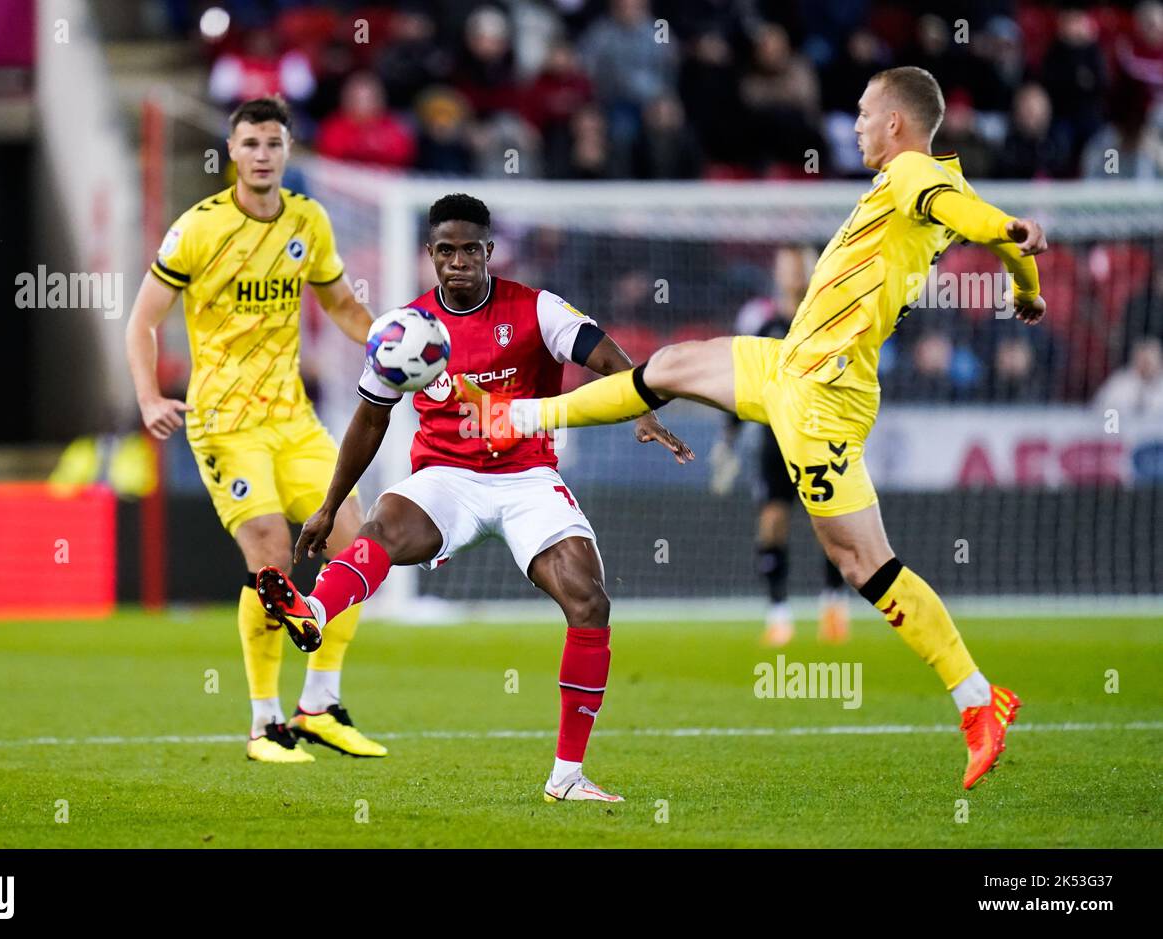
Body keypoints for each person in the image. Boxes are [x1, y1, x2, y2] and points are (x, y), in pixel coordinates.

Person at [468, 67, 1048, 791]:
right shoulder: (930, 182)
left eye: (865, 113)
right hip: (791, 364)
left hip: (822, 395)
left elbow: (976, 221)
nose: (857, 125)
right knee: (674, 363)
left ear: (897, 123)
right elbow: (990, 233)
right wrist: (1025, 288)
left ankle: (977, 700)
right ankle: (523, 414)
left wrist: (1010, 229)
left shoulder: (914, 176)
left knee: (861, 562)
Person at [258, 193, 691, 803]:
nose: (458, 261)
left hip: (528, 477)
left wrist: (639, 409)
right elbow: (370, 420)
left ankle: (566, 777)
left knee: (590, 603)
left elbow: (602, 353)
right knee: (381, 523)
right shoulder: (406, 329)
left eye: (470, 250)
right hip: (446, 476)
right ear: (429, 255)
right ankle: (314, 613)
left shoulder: (535, 309)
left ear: (489, 251)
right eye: (445, 251)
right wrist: (330, 505)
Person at [124, 96, 387, 765]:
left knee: (356, 547)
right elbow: (143, 321)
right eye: (250, 144)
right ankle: (264, 723)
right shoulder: (197, 230)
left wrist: (389, 339)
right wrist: (150, 393)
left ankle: (320, 705)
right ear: (232, 153)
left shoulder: (308, 220)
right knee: (272, 553)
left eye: (273, 143)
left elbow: (342, 304)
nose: (263, 155)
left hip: (293, 419)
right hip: (224, 423)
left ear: (288, 150)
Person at [714, 247, 849, 646]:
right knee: (773, 523)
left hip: (820, 435)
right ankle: (779, 615)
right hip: (776, 439)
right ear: (776, 271)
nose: (794, 271)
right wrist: (728, 439)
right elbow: (744, 379)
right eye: (787, 264)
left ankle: (834, 605)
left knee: (829, 522)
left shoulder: (827, 320)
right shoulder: (764, 322)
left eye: (801, 263)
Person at [1094, 336, 1163, 418]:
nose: (1145, 365)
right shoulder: (1119, 381)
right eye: (1142, 359)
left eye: (1149, 360)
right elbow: (1099, 408)